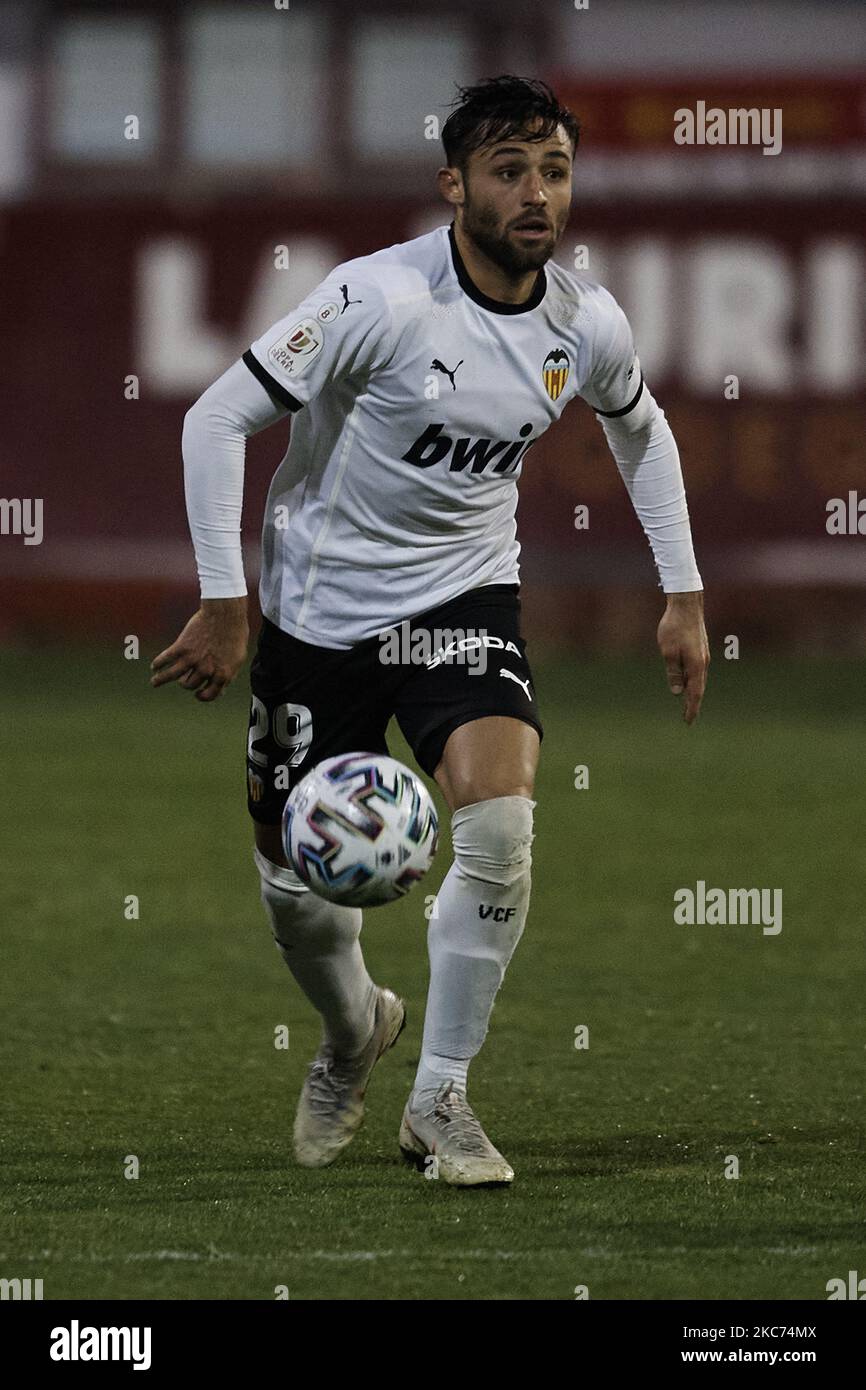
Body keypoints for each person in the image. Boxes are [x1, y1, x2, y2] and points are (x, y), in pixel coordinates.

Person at [152, 75, 709, 1187]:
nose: (536, 193)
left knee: (499, 826)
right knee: (297, 895)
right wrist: (226, 598)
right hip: (319, 617)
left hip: (464, 601)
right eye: (509, 171)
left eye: (552, 170)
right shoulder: (377, 300)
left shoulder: (582, 322)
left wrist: (682, 591)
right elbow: (214, 414)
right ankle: (357, 1027)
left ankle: (440, 1095)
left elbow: (641, 433)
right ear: (454, 184)